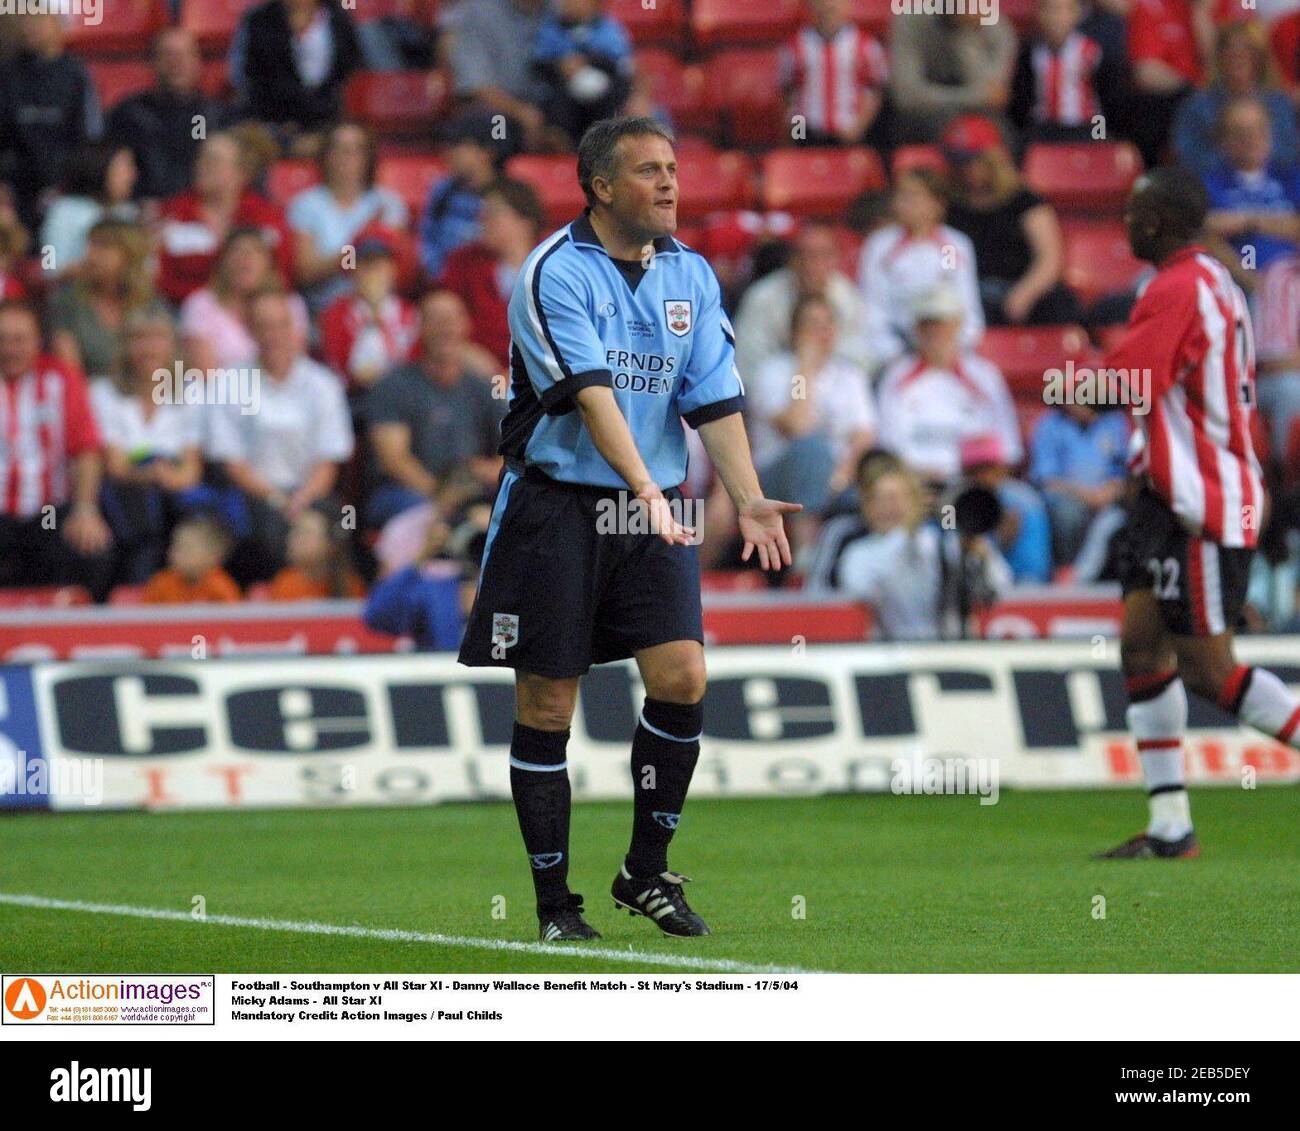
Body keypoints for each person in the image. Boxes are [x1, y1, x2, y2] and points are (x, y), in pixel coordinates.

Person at [457, 117, 800, 942]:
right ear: (602, 187)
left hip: (654, 506)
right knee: (549, 697)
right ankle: (554, 906)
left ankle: (645, 872)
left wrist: (748, 494)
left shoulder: (691, 276)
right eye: (650, 170)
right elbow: (593, 392)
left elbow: (712, 398)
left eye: (674, 167)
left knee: (683, 676)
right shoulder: (553, 272)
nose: (671, 183)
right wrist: (642, 481)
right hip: (559, 503)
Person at [1095, 167, 1300, 859]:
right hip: (1166, 497)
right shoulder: (1209, 280)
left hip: (1201, 503)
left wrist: (1064, 379)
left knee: (1210, 669)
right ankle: (1171, 828)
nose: (1123, 224)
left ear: (1155, 223)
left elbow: (1128, 379)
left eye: (1133, 214)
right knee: (1140, 645)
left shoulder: (1180, 286)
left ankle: (1174, 825)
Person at [207, 290, 354, 579]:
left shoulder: (323, 384)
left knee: (338, 523)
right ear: (250, 331)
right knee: (272, 528)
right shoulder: (229, 382)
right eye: (264, 326)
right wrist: (277, 498)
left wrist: (303, 498)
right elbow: (231, 461)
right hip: (255, 496)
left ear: (294, 328)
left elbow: (328, 460)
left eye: (280, 325)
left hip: (311, 492)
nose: (273, 335)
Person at [0, 299, 112, 598]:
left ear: (38, 341)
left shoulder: (61, 378)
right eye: (3, 340)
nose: (10, 349)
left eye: (19, 340)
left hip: (48, 513)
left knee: (92, 550)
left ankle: (82, 638)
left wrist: (86, 509)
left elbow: (86, 449)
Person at [363, 290, 504, 526]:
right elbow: (394, 460)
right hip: (407, 493)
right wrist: (443, 497)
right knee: (423, 512)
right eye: (437, 320)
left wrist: (490, 470)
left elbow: (513, 447)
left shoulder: (482, 385)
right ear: (421, 327)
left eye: (452, 319)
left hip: (470, 487)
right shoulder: (393, 385)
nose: (446, 328)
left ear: (466, 325)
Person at [747, 293, 875, 540]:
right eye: (812, 325)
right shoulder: (772, 371)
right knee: (811, 449)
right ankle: (804, 562)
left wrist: (840, 477)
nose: (821, 332)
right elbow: (798, 426)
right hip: (776, 478)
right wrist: (805, 366)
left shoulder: (850, 375)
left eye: (827, 324)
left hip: (838, 478)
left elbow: (864, 437)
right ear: (795, 331)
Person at [835, 460, 1012, 640]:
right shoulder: (859, 552)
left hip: (951, 648)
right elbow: (859, 589)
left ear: (915, 501)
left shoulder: (940, 542)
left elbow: (999, 586)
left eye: (895, 499)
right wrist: (905, 535)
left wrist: (979, 554)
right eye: (880, 499)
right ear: (867, 506)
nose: (887, 508)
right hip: (892, 650)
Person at [91, 308, 204, 585]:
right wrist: (151, 474)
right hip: (125, 486)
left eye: (158, 338)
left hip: (174, 487)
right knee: (140, 512)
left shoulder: (192, 390)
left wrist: (171, 477)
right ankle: (139, 598)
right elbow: (115, 465)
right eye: (139, 339)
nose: (149, 348)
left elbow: (192, 467)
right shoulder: (103, 392)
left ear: (172, 345)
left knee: (194, 513)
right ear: (125, 346)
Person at [875, 284, 1023, 485]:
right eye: (927, 324)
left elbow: (1008, 446)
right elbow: (887, 446)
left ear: (957, 325)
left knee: (1024, 505)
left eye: (942, 323)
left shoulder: (984, 376)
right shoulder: (896, 376)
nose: (935, 332)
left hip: (977, 482)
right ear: (917, 328)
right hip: (913, 484)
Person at [944, 114, 1083, 325]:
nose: (966, 170)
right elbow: (946, 260)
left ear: (993, 159)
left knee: (1060, 303)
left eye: (973, 161)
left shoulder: (1024, 201)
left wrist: (1026, 292)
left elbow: (1049, 258)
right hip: (973, 292)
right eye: (959, 162)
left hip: (1021, 287)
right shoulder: (949, 208)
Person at [859, 167, 983, 372]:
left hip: (948, 347)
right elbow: (873, 310)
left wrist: (953, 348)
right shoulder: (880, 246)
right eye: (900, 196)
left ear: (937, 205)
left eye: (913, 197)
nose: (903, 203)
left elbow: (968, 309)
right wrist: (893, 354)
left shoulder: (954, 246)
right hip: (896, 348)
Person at [156, 133, 293, 305]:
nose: (201, 166)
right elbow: (159, 276)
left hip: (254, 313)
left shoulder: (266, 216)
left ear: (241, 172)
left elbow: (282, 272)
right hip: (181, 310)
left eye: (213, 161)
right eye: (200, 159)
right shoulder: (173, 213)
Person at [287, 122, 408, 313]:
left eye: (356, 150)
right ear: (326, 155)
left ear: (369, 157)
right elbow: (306, 272)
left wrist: (343, 258)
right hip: (324, 307)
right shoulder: (306, 204)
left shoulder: (388, 203)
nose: (348, 157)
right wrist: (358, 244)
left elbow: (392, 267)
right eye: (340, 149)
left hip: (377, 306)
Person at [0, 12, 102, 231]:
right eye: (26, 21)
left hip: (65, 188)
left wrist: (67, 186)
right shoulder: (8, 75)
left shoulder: (76, 76)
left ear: (59, 26)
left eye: (39, 21)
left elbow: (90, 139)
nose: (31, 28)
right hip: (16, 187)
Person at [106, 27, 231, 202]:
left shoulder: (212, 115)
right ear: (152, 62)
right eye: (168, 54)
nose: (177, 62)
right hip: (140, 211)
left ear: (198, 62)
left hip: (197, 211)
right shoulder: (128, 115)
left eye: (185, 54)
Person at [732, 221, 868, 380]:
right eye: (806, 255)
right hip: (781, 385)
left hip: (836, 384)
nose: (813, 265)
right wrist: (801, 366)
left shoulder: (849, 298)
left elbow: (863, 358)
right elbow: (748, 363)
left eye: (823, 255)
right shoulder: (763, 298)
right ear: (792, 259)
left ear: (837, 258)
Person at [439, 178, 547, 371]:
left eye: (493, 213)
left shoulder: (555, 266)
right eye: (481, 213)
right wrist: (464, 350)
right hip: (475, 377)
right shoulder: (462, 263)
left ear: (524, 222)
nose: (482, 220)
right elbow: (441, 321)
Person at [230, 0, 363, 150]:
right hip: (268, 122)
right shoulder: (259, 20)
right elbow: (248, 77)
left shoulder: (340, 19)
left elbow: (348, 75)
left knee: (346, 141)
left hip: (324, 123)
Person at [1173, 21, 1299, 179]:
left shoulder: (1279, 103)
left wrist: (1252, 161)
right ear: (1218, 56)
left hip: (1275, 190)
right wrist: (1237, 157)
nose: (1238, 56)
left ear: (1260, 56)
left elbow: (1289, 153)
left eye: (1247, 49)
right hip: (1215, 192)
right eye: (1229, 49)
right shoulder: (1198, 106)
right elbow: (1188, 157)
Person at [1029, 385, 1130, 574]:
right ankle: (1067, 571)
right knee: (1068, 512)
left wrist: (1110, 491)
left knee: (1122, 515)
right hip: (1067, 498)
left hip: (1109, 498)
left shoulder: (1114, 422)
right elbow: (1047, 479)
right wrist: (1088, 496)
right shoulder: (1049, 424)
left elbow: (1122, 468)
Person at [180, 227, 310, 374]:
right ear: (222, 261)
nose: (245, 259)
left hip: (279, 393)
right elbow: (204, 375)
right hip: (220, 394)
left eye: (255, 252)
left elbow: (296, 366)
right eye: (236, 252)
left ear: (269, 262)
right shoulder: (201, 305)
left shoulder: (290, 304)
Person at [1202, 96, 1300, 288]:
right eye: (1240, 132)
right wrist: (1256, 283)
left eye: (1258, 129)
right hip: (1241, 284)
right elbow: (1206, 232)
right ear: (1224, 140)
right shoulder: (1210, 184)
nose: (1251, 139)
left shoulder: (1290, 178)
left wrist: (1249, 222)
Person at [49, 221, 158, 381]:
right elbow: (69, 368)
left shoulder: (150, 302)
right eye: (90, 245)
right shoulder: (68, 301)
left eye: (104, 247)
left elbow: (162, 360)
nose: (91, 255)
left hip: (139, 393)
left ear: (130, 254)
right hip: (87, 395)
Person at [888, 10, 1018, 144]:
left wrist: (965, 35)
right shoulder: (911, 20)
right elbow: (907, 97)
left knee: (997, 133)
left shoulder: (998, 30)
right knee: (956, 132)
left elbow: (993, 96)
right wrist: (974, 98)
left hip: (978, 113)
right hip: (924, 115)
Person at [1009, 0, 1124, 145]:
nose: (1057, 18)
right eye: (1051, 11)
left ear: (1076, 15)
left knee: (1103, 149)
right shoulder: (1029, 53)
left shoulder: (1094, 52)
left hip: (1090, 124)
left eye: (1064, 11)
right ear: (1039, 14)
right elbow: (1021, 101)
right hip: (1043, 127)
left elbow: (1111, 99)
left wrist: (1111, 133)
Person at [781, 0, 889, 148]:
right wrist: (796, 135)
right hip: (808, 135)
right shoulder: (794, 47)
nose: (827, 6)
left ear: (848, 4)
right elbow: (790, 95)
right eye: (820, 2)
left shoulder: (866, 46)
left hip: (850, 134)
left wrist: (858, 127)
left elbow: (875, 91)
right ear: (809, 5)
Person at [418, 109, 509, 281]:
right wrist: (440, 276)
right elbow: (427, 241)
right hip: (446, 285)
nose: (449, 152)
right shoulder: (442, 191)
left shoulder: (511, 195)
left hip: (491, 286)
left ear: (486, 153)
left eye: (459, 145)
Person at [320, 235, 418, 391]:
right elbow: (348, 370)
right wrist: (373, 312)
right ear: (353, 271)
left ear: (393, 270)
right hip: (355, 398)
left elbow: (413, 362)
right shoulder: (336, 314)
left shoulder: (408, 313)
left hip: (402, 397)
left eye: (380, 264)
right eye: (366, 264)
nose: (373, 272)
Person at [531, 0, 636, 144]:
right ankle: (560, 143)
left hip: (604, 98)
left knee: (617, 98)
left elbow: (620, 65)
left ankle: (606, 141)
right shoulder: (551, 28)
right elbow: (540, 64)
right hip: (565, 95)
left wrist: (586, 61)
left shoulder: (609, 28)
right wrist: (561, 65)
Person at [38, 142, 138, 276]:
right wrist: (93, 266)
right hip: (71, 293)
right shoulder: (62, 211)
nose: (132, 176)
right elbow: (47, 265)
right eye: (124, 169)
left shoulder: (129, 213)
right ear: (101, 170)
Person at [267, 504, 365, 600]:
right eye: (294, 530)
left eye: (306, 532)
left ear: (330, 543)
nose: (295, 538)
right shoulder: (284, 583)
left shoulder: (351, 586)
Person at [143, 515, 241, 604]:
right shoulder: (160, 584)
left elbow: (232, 619)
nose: (175, 553)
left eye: (187, 548)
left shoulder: (222, 587)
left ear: (212, 555)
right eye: (175, 546)